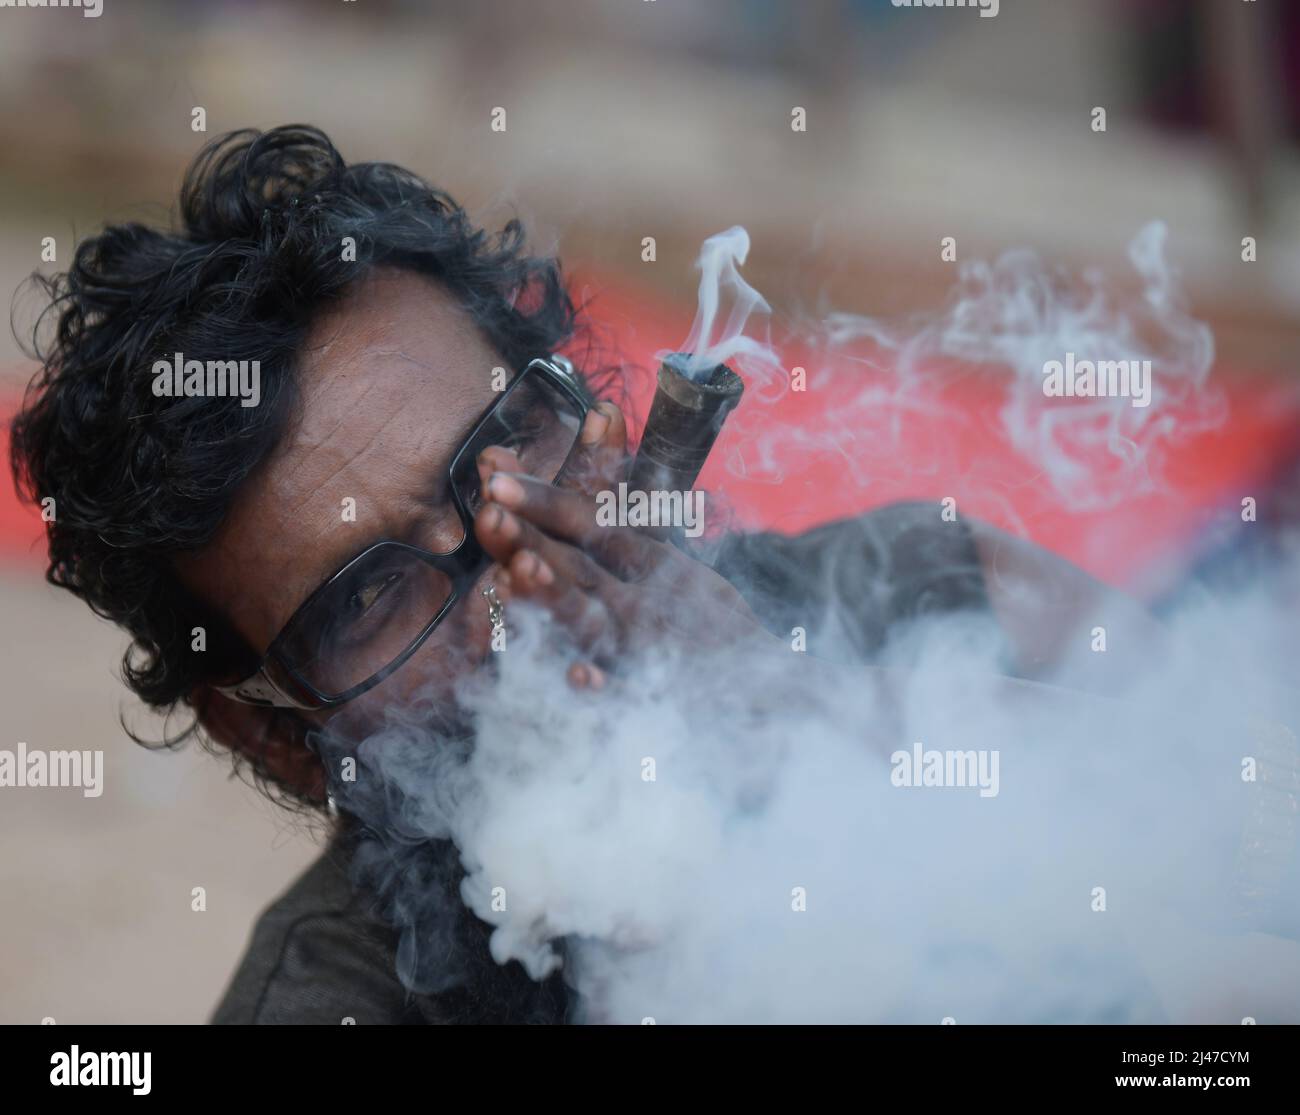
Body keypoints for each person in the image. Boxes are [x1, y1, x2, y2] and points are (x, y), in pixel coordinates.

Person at [9, 125, 1161, 1023]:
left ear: (602, 434)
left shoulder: (932, 588)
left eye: (506, 453)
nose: (513, 601)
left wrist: (819, 731)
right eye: (369, 595)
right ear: (272, 736)